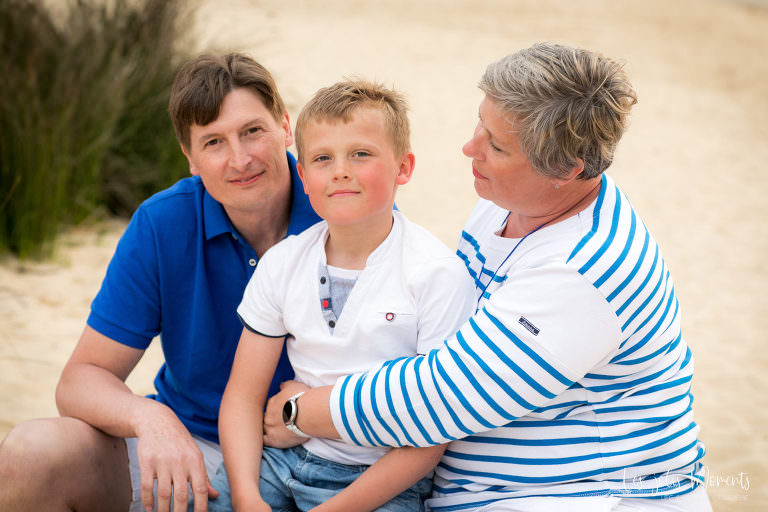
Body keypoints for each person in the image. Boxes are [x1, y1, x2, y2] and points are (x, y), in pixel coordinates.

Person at [261, 43, 713, 511]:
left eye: (495, 146)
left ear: (566, 169)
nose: (469, 148)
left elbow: (442, 397)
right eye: (481, 123)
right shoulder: (511, 203)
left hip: (579, 495)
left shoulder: (584, 270)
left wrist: (304, 411)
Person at [0, 53, 321, 512]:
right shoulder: (162, 222)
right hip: (192, 450)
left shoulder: (345, 205)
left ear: (285, 127)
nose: (240, 158)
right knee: (29, 456)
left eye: (252, 130)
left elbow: (402, 374)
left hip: (321, 454)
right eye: (214, 142)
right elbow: (80, 380)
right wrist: (151, 419)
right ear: (190, 158)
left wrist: (319, 410)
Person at [210, 80, 476, 512]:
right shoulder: (283, 263)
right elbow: (242, 397)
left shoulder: (436, 275)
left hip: (380, 479)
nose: (340, 171)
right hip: (280, 460)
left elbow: (432, 434)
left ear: (403, 168)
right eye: (322, 159)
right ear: (303, 177)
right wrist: (245, 496)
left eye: (361, 154)